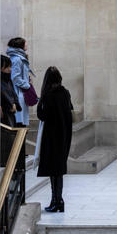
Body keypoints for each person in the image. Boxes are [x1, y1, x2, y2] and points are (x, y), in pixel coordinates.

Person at [36, 66, 73, 213]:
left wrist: (40, 102)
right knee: (59, 170)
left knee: (53, 171)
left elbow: (42, 115)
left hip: (52, 137)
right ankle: (58, 200)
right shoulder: (65, 93)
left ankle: (56, 200)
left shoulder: (48, 95)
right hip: (64, 136)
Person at [7, 37, 32, 127]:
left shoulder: (19, 58)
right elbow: (15, 78)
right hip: (18, 94)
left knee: (21, 125)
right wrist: (27, 85)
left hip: (20, 93)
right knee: (20, 125)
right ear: (20, 45)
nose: (27, 45)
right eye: (25, 43)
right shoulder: (17, 59)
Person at [0, 55, 20, 127]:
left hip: (10, 112)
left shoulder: (8, 79)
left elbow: (13, 93)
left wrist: (14, 104)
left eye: (10, 66)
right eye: (7, 67)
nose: (10, 69)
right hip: (4, 112)